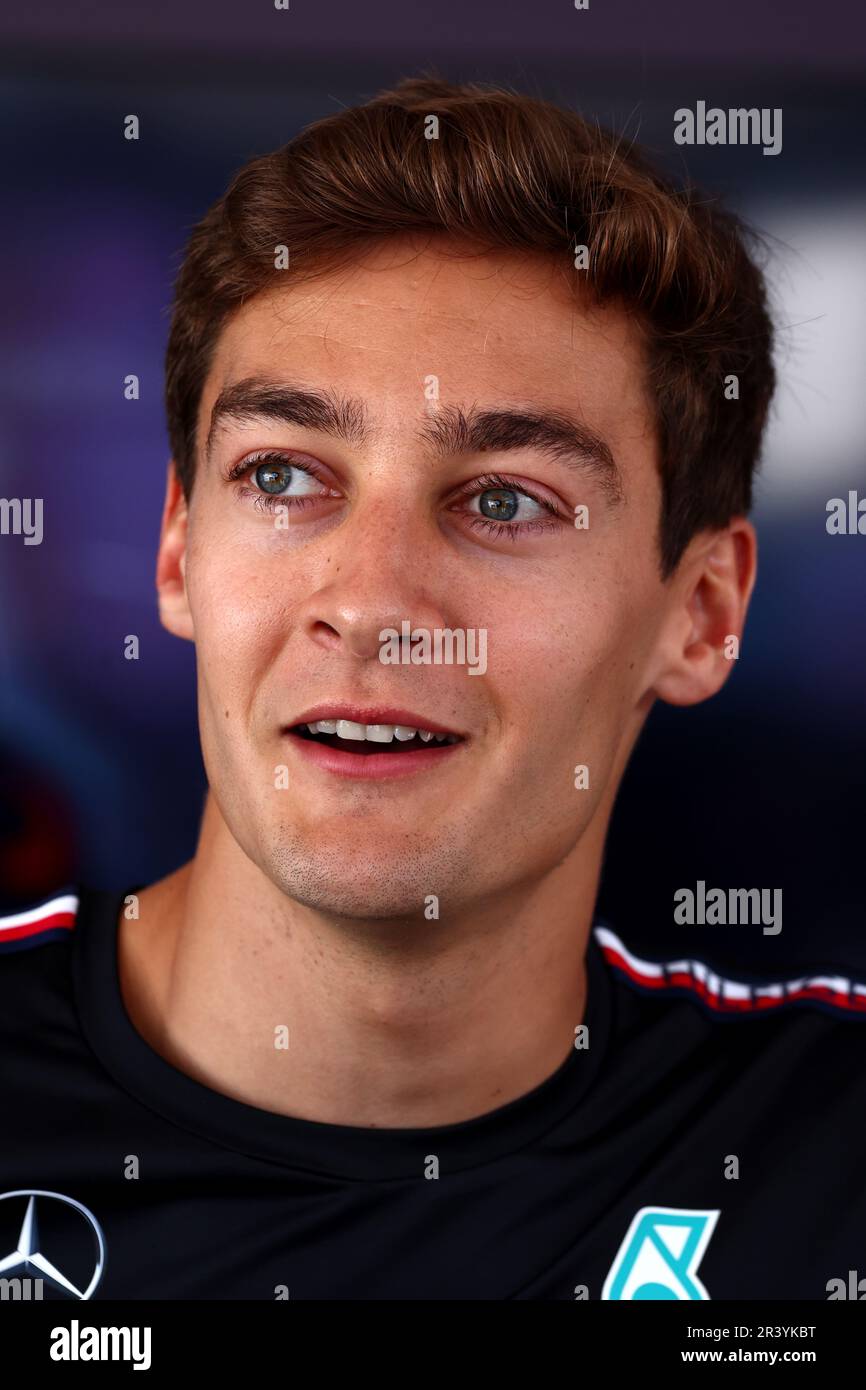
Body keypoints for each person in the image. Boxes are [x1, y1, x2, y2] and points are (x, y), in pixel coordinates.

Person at [2, 76, 863, 1303]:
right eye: (285, 477)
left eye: (505, 500)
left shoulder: (824, 1162)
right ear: (180, 552)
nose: (370, 602)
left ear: (701, 611)